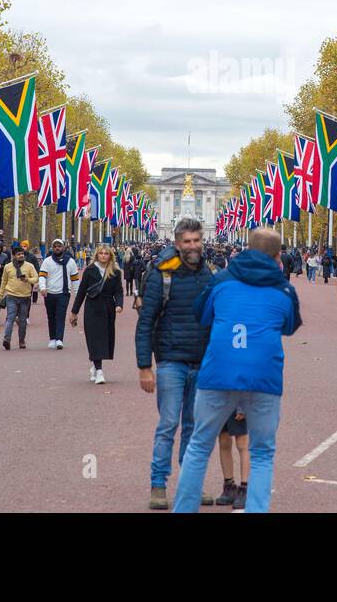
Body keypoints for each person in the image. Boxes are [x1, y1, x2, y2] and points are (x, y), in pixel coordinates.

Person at [172, 229, 301, 513]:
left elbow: (203, 316)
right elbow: (290, 327)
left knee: (199, 446)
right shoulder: (284, 289)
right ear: (278, 256)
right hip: (263, 377)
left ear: (246, 249)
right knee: (262, 452)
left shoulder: (221, 280)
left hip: (218, 372)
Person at [136, 216, 217, 510]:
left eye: (197, 240)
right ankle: (158, 485)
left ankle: (190, 485)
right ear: (178, 243)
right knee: (169, 424)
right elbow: (146, 322)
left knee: (194, 427)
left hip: (201, 362)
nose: (193, 246)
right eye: (188, 242)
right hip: (171, 360)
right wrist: (145, 366)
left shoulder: (208, 273)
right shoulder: (163, 274)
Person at [70, 243, 124, 384]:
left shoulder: (115, 272)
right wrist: (74, 312)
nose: (103, 256)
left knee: (104, 338)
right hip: (92, 307)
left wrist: (119, 304)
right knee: (94, 338)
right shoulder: (90, 270)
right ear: (97, 255)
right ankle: (99, 371)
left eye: (106, 254)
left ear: (110, 256)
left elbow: (118, 291)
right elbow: (82, 292)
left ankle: (95, 365)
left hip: (108, 308)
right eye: (101, 253)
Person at [39, 239, 81, 349]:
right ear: (52, 248)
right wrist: (42, 287)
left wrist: (78, 295)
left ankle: (59, 339)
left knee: (60, 316)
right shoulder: (47, 261)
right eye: (55, 246)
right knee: (51, 316)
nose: (57, 248)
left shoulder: (70, 262)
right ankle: (52, 338)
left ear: (63, 248)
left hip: (64, 293)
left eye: (59, 246)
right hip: (50, 293)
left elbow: (75, 279)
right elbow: (42, 276)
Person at [0, 245, 38, 350]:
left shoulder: (29, 266)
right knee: (10, 318)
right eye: (18, 254)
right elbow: (3, 281)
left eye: (22, 254)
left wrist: (28, 280)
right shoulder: (8, 267)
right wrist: (1, 294)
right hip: (11, 296)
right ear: (14, 256)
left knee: (22, 320)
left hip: (25, 297)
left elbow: (36, 278)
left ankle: (21, 340)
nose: (21, 256)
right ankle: (6, 339)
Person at [213, 407, 250, 509]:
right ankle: (229, 487)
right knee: (223, 441)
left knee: (242, 443)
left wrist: (242, 407)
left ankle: (245, 488)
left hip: (238, 398)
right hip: (221, 400)